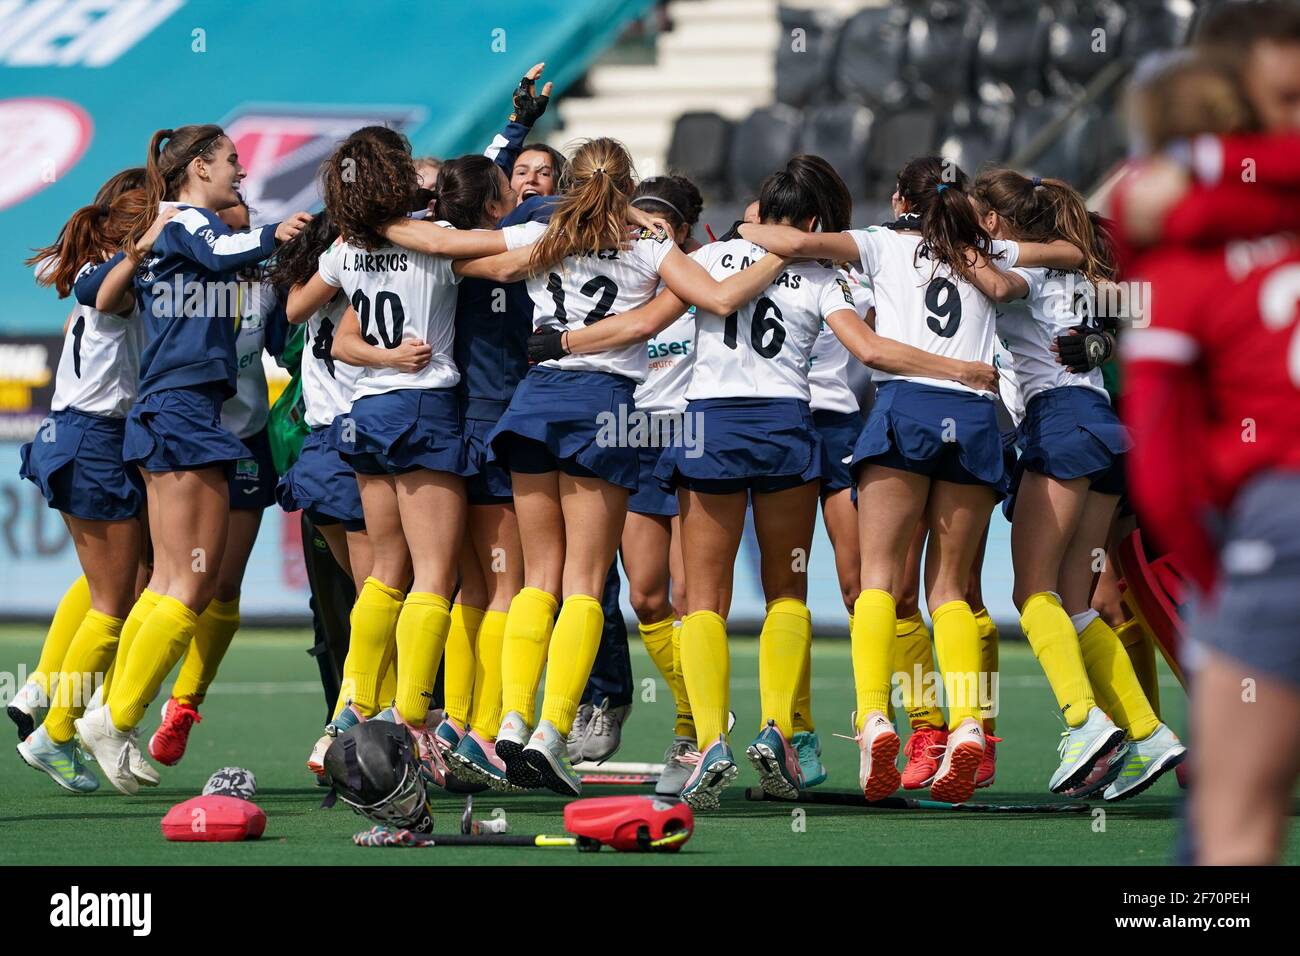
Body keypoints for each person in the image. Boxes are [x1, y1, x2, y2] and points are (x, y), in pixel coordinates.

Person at [553, 155, 996, 809]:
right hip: (787, 429)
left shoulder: (704, 259)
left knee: (701, 597)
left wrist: (566, 341)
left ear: (761, 209)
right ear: (813, 220)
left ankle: (708, 742)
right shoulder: (820, 274)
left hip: (709, 429)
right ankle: (781, 730)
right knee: (787, 590)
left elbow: (644, 324)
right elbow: (867, 347)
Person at [737, 157, 1075, 803]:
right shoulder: (983, 247)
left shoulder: (880, 241)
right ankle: (967, 725)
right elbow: (1066, 250)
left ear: (899, 200)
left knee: (878, 585)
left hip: (905, 412)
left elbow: (797, 240)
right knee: (953, 591)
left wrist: (740, 234)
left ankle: (872, 720)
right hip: (976, 417)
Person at [481, 136, 791, 796]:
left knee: (540, 579)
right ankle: (549, 731)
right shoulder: (646, 247)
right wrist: (785, 251)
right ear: (627, 187)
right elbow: (717, 298)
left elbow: (464, 256)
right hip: (604, 407)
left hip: (538, 401)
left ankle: (512, 717)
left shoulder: (547, 234)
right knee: (586, 583)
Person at [77, 124, 310, 794]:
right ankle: (114, 717)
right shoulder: (186, 223)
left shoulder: (174, 229)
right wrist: (285, 233)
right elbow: (225, 246)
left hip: (179, 414)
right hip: (181, 414)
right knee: (190, 586)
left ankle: (111, 711)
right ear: (201, 166)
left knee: (171, 583)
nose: (242, 172)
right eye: (233, 161)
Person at [970, 168, 1185, 800]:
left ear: (993, 221)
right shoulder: (1080, 267)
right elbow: (1133, 299)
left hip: (1061, 424)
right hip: (1106, 434)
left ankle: (1083, 722)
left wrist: (950, 244)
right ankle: (1148, 733)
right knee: (1079, 601)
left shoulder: (1022, 269)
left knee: (1032, 593)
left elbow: (999, 281)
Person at [14, 174, 156, 792]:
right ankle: (58, 731)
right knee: (113, 603)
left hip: (79, 437)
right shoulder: (114, 282)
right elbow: (106, 292)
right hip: (93, 440)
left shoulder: (95, 267)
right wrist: (150, 238)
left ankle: (42, 693)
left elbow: (65, 271)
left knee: (118, 584)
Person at [148, 199, 290, 766]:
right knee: (163, 580)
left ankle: (183, 705)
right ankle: (110, 704)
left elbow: (285, 339)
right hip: (184, 430)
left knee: (221, 587)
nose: (238, 216)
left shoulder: (262, 282)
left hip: (245, 436)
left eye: (243, 213)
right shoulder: (177, 273)